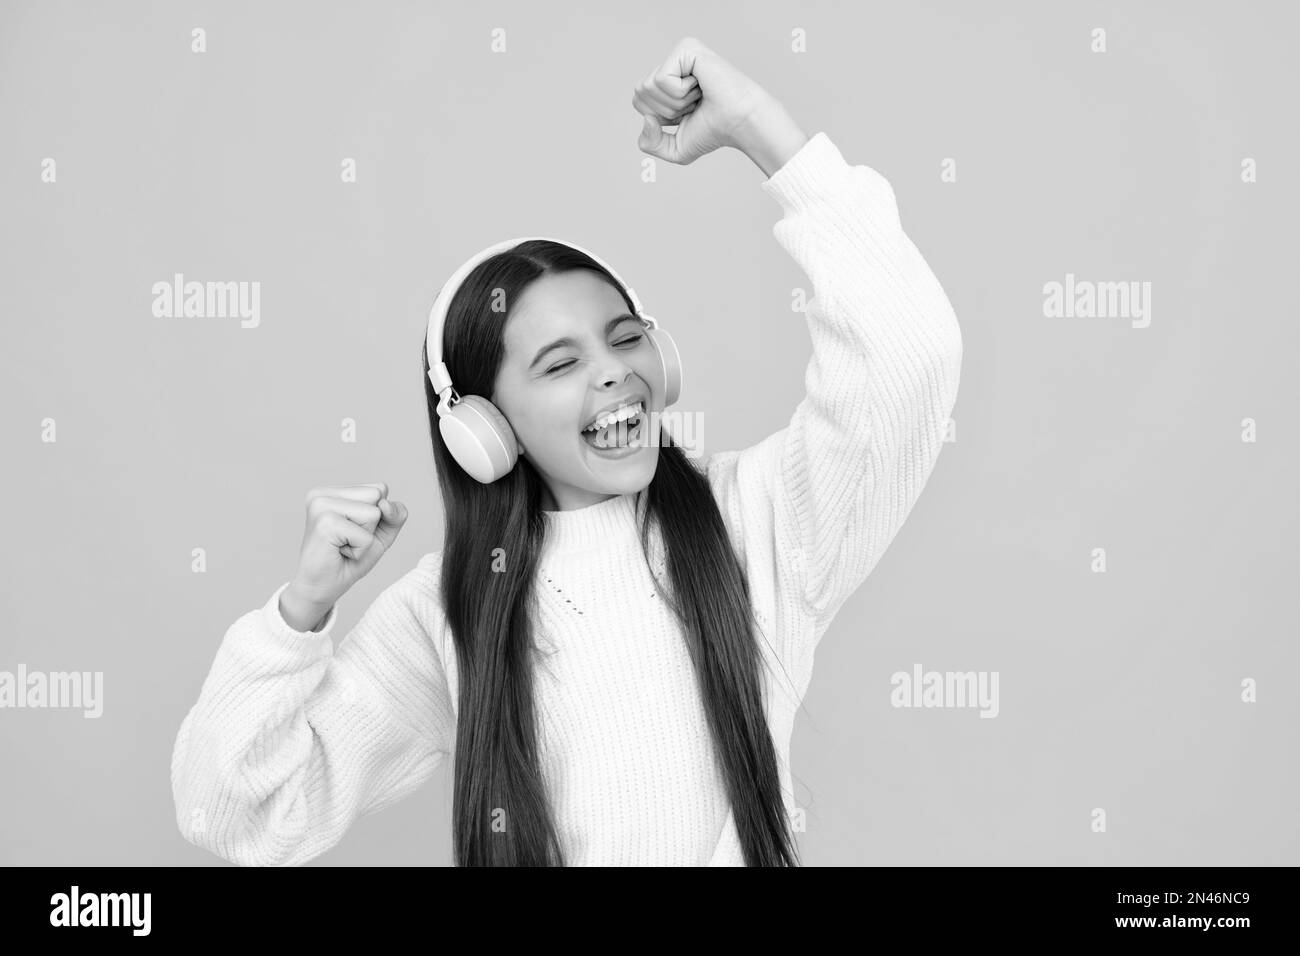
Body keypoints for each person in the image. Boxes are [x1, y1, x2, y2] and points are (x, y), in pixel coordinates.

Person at [170, 37, 963, 866]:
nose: (615, 372)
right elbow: (239, 815)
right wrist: (301, 612)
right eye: (560, 364)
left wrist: (764, 132)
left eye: (625, 339)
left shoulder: (759, 521)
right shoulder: (449, 610)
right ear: (484, 428)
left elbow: (909, 357)